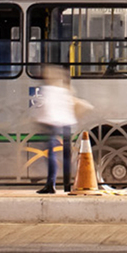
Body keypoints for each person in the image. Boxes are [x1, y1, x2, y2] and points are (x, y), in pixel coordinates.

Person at [36, 64, 84, 193]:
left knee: (50, 154)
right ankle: (69, 183)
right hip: (67, 125)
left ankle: (51, 184)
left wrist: (38, 121)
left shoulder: (48, 90)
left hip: (53, 126)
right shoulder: (65, 89)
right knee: (66, 155)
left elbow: (46, 109)